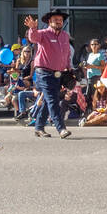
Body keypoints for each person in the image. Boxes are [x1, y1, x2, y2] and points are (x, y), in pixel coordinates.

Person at [26, 9, 74, 139]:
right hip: (44, 72)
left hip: (58, 73)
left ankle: (39, 127)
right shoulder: (43, 34)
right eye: (55, 20)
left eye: (60, 20)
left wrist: (69, 68)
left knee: (50, 100)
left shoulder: (65, 36)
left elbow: (67, 54)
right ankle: (61, 128)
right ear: (49, 21)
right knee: (52, 99)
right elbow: (33, 38)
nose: (59, 22)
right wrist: (33, 28)